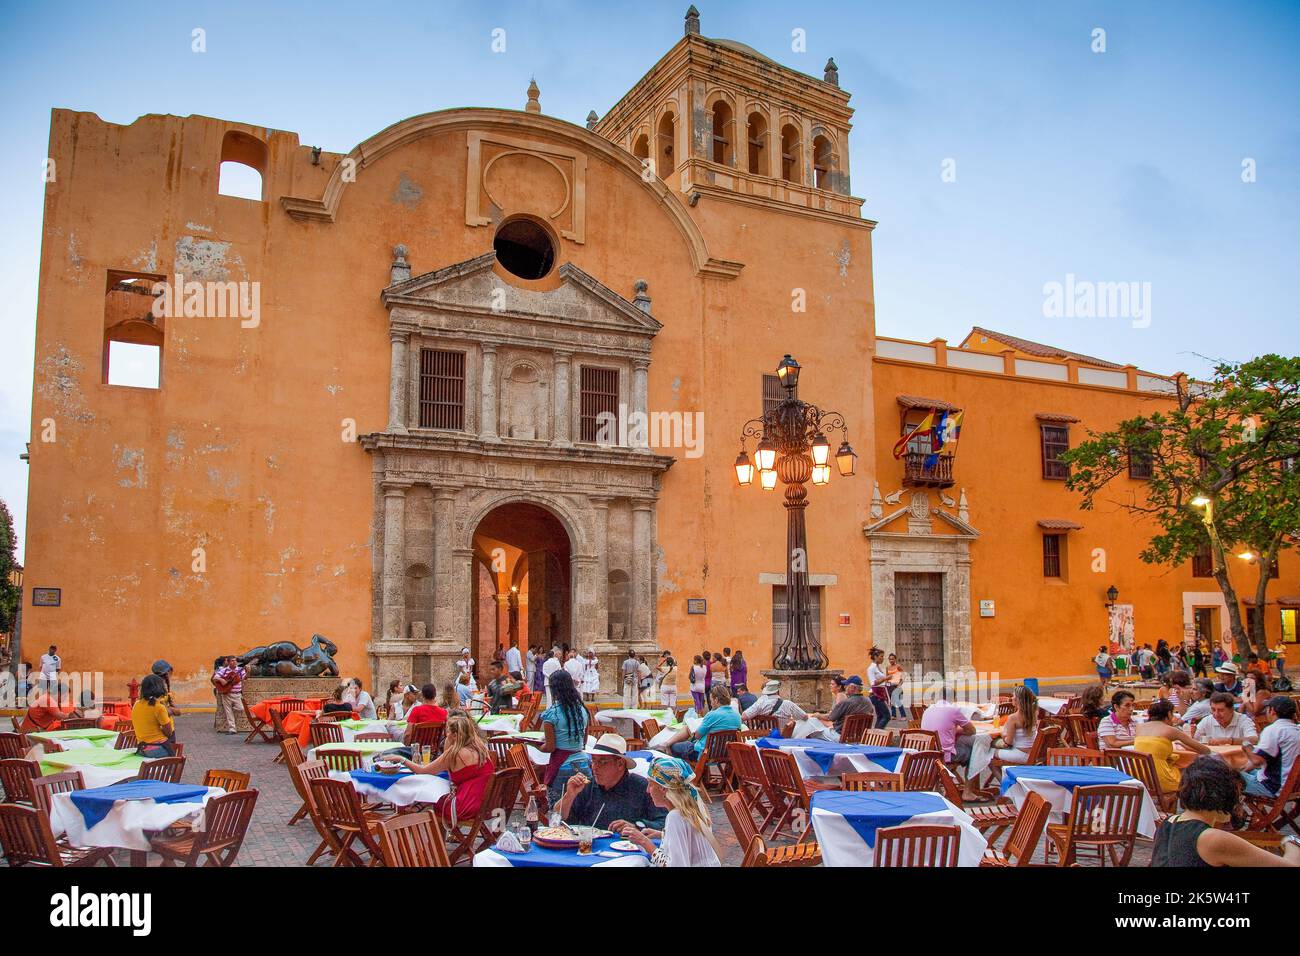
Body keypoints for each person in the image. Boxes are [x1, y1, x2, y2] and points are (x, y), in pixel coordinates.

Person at [1153, 755, 1300, 867]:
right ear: (1226, 794)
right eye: (1239, 796)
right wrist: (1292, 841)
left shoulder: (1167, 824)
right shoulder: (1211, 839)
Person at [380, 714, 493, 823]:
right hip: (486, 805)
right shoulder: (482, 749)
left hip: (463, 807)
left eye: (447, 731)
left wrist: (401, 759)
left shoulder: (454, 753)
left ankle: (431, 837)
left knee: (431, 798)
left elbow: (423, 771)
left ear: (454, 735)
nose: (446, 734)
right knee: (435, 794)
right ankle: (422, 807)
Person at [612, 757, 722, 867]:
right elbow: (691, 839)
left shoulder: (675, 816)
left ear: (663, 788)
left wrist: (644, 842)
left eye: (650, 784)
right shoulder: (693, 805)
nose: (647, 790)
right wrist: (662, 835)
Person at [558, 733, 667, 830]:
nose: (594, 767)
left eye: (602, 762)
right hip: (588, 845)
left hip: (627, 848)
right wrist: (569, 795)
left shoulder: (642, 787)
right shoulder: (586, 785)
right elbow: (559, 819)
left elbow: (664, 822)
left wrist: (637, 826)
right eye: (593, 761)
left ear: (620, 764)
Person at [1133, 699, 1210, 796]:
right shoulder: (1171, 730)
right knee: (1187, 772)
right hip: (1159, 779)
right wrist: (1184, 745)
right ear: (1169, 714)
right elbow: (1205, 750)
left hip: (1139, 776)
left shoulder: (1139, 727)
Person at [536, 669, 589, 786]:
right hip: (582, 763)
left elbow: (550, 747)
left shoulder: (551, 714)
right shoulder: (582, 711)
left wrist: (536, 746)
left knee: (559, 803)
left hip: (561, 764)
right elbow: (584, 741)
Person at [1240, 695, 1300, 798]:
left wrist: (1246, 745)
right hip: (1294, 787)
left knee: (1222, 776)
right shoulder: (1296, 729)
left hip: (1273, 787)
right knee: (1238, 772)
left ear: (1272, 711)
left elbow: (1256, 761)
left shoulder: (1274, 730)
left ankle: (1229, 812)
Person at [920, 699, 980, 798]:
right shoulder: (952, 710)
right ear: (954, 699)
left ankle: (940, 785)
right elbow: (972, 730)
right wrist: (957, 730)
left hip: (928, 754)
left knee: (960, 748)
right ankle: (967, 792)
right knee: (975, 752)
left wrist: (953, 730)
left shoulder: (928, 710)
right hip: (944, 755)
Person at [666, 685, 741, 760]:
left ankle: (681, 766)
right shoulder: (737, 715)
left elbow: (697, 736)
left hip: (704, 753)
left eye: (711, 700)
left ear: (716, 700)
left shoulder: (713, 715)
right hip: (726, 753)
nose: (710, 703)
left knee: (673, 747)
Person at [808, 675, 874, 742]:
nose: (844, 687)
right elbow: (871, 712)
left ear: (852, 688)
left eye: (846, 685)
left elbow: (830, 718)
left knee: (811, 731)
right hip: (858, 737)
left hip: (840, 736)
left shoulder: (846, 702)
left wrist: (818, 715)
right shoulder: (868, 701)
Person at [990, 685, 1039, 764]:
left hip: (1021, 754)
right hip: (1033, 753)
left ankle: (1003, 776)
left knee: (988, 754)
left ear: (1018, 700)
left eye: (1013, 696)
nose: (1011, 698)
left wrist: (1003, 734)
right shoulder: (1034, 713)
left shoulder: (1013, 718)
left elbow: (1008, 743)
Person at [132, 673, 177, 757]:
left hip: (142, 748)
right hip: (159, 748)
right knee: (177, 764)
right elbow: (169, 733)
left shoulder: (136, 704)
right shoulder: (159, 707)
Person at [742, 679, 808, 729]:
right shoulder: (788, 704)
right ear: (778, 691)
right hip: (782, 739)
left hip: (762, 739)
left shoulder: (760, 703)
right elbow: (805, 717)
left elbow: (744, 717)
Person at [1194, 693, 1258, 744]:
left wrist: (1229, 741)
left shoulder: (1243, 720)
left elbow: (1254, 740)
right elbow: (1195, 740)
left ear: (1231, 710)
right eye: (1213, 710)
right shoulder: (1207, 720)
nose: (1216, 714)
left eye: (1221, 710)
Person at [212, 655, 248, 734]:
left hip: (237, 694)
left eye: (235, 660)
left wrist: (248, 672)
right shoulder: (224, 670)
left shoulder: (240, 670)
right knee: (228, 712)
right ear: (228, 662)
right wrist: (221, 680)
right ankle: (232, 729)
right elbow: (215, 678)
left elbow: (245, 678)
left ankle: (233, 709)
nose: (234, 662)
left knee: (241, 708)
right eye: (232, 661)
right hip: (227, 694)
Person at [866, 648, 892, 728]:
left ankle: (875, 735)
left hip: (880, 694)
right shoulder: (872, 668)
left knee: (880, 716)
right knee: (887, 716)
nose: (883, 658)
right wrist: (886, 678)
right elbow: (873, 683)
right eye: (881, 656)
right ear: (875, 657)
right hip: (876, 695)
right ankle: (877, 733)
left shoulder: (877, 667)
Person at [886, 653, 906, 718]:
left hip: (896, 686)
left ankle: (903, 716)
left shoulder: (898, 666)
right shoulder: (887, 667)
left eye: (892, 659)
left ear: (895, 659)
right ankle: (893, 715)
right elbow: (887, 677)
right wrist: (886, 685)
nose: (891, 660)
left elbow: (903, 675)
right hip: (889, 686)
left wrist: (900, 684)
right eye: (890, 659)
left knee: (897, 700)